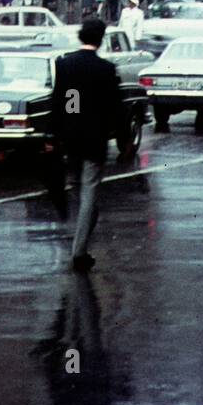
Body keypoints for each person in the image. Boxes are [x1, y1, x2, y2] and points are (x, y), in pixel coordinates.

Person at [46, 17, 127, 272]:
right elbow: (115, 107)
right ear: (101, 39)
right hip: (94, 139)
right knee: (89, 196)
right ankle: (79, 252)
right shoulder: (105, 69)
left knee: (82, 193)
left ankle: (82, 245)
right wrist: (123, 137)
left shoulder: (65, 65)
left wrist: (53, 134)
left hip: (71, 138)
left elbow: (62, 101)